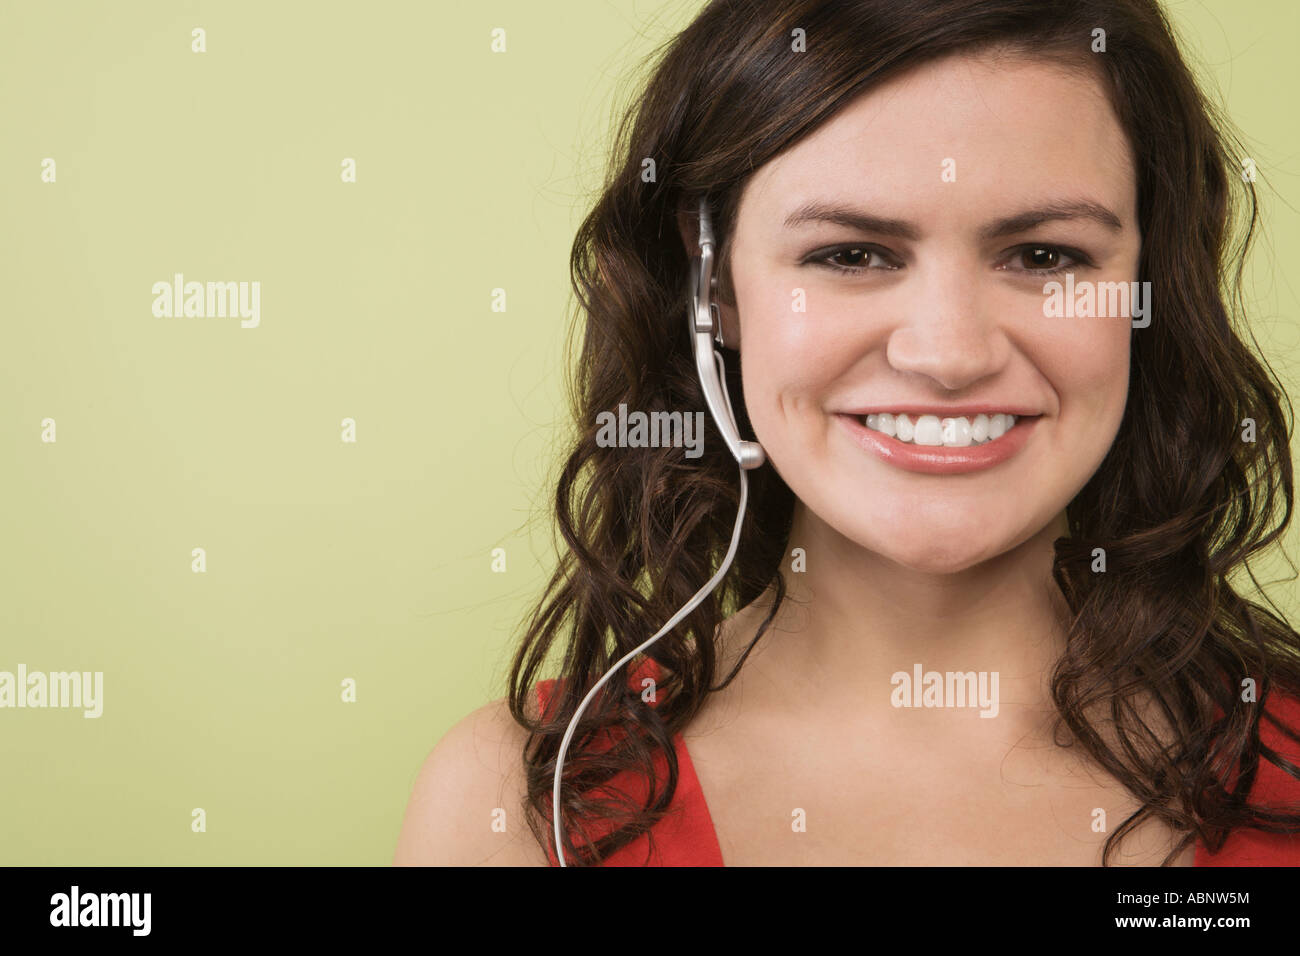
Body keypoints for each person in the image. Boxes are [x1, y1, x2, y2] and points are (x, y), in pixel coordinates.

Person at [394, 0, 1300, 866]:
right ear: (712, 286)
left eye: (1045, 255)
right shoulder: (519, 809)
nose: (949, 355)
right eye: (850, 255)